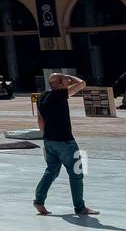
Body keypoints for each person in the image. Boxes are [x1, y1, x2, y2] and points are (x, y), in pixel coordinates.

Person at [34, 73, 99, 216]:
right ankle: (80, 207)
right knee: (76, 174)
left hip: (49, 141)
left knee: (51, 171)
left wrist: (46, 138)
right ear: (57, 84)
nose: (68, 82)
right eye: (65, 80)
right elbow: (82, 83)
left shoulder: (41, 97)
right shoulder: (60, 94)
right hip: (65, 141)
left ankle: (39, 200)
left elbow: (40, 121)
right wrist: (70, 75)